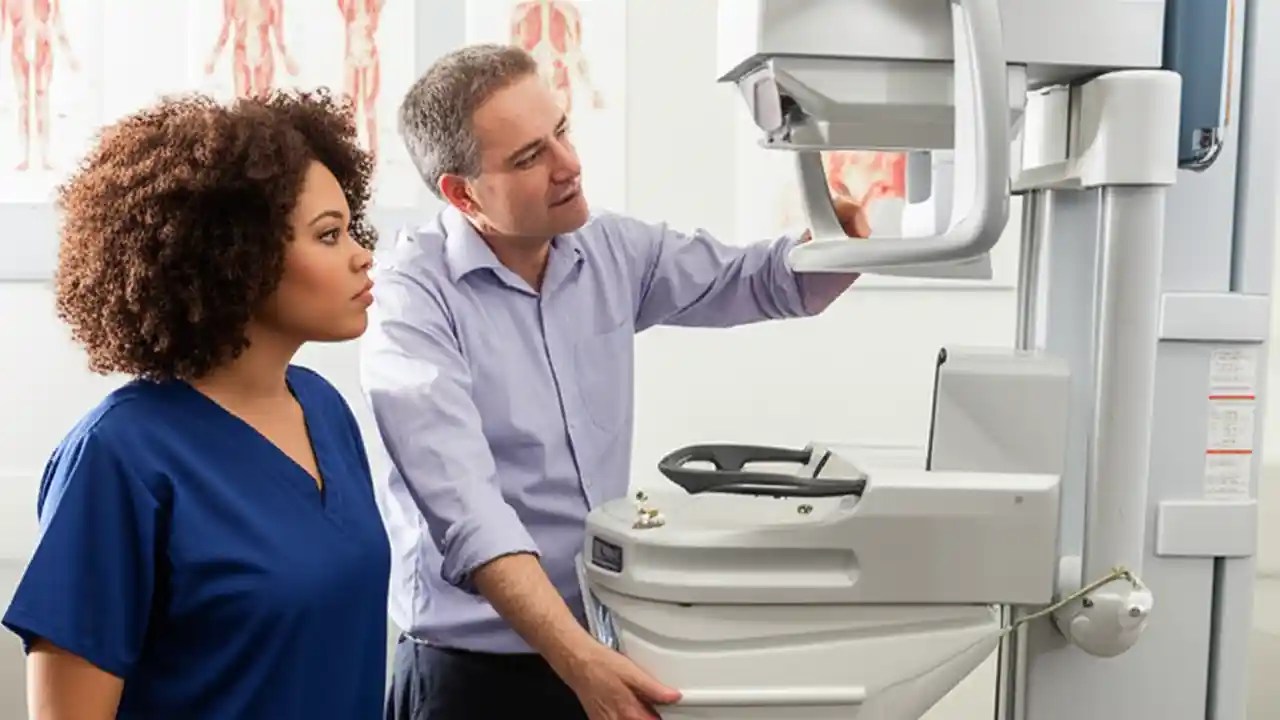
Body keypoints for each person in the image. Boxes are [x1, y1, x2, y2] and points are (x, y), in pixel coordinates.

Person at [361, 44, 868, 720]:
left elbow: (757, 279)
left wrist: (837, 242)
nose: (568, 166)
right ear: (462, 193)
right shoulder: (411, 302)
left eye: (561, 132)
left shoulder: (610, 252)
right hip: (472, 678)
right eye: (527, 158)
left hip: (597, 648)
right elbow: (471, 516)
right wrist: (580, 662)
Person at [1, 89, 390, 719]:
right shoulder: (118, 457)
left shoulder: (324, 409)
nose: (361, 253)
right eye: (328, 235)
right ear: (238, 258)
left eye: (351, 228)